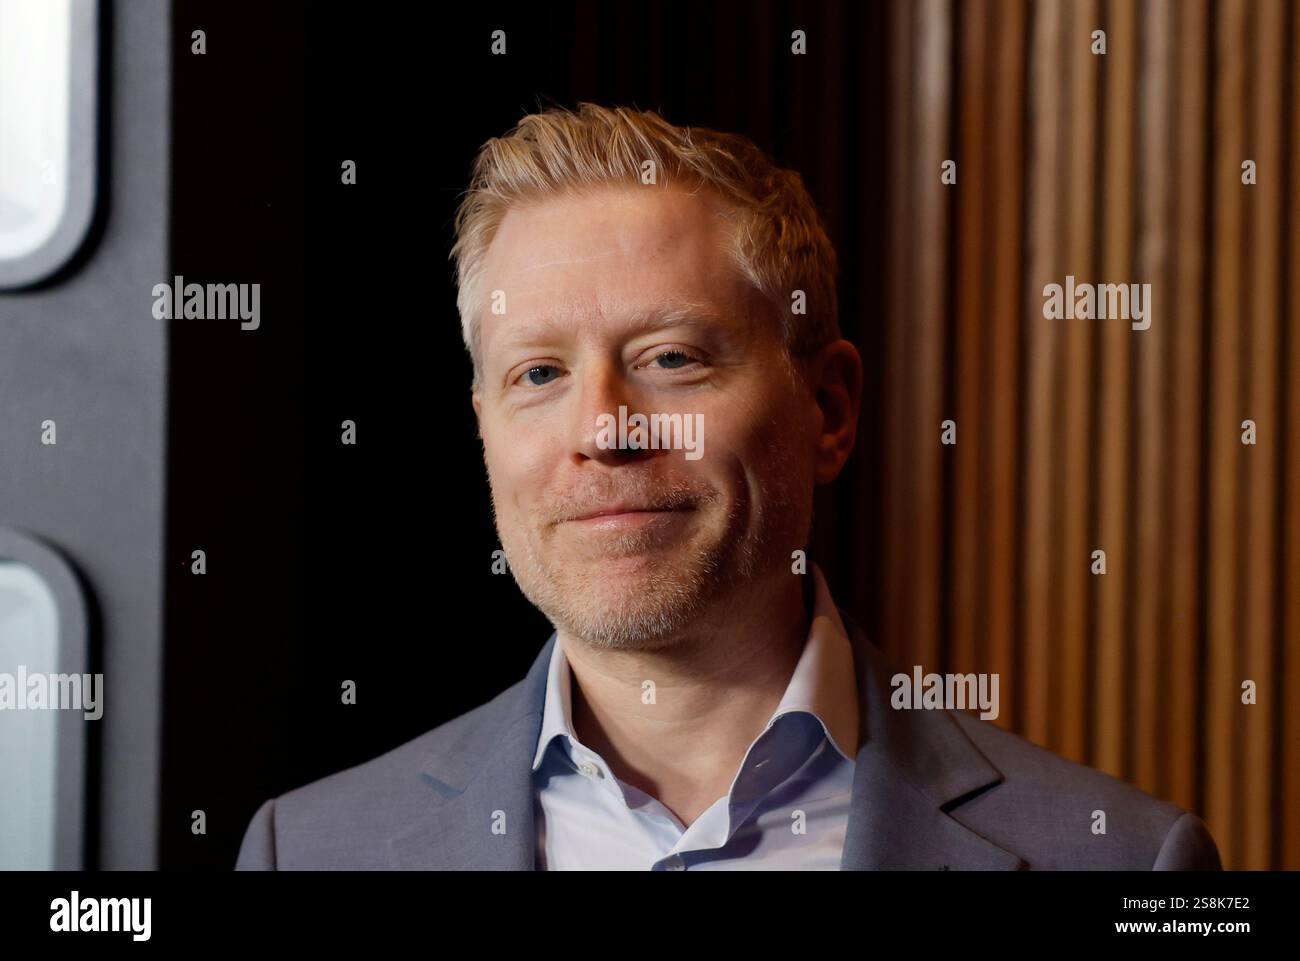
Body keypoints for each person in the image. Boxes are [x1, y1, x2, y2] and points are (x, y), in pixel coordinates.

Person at [236, 103, 1221, 870]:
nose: (603, 430)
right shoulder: (309, 849)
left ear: (827, 407)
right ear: (484, 423)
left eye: (669, 357)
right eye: (538, 374)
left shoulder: (1120, 858)